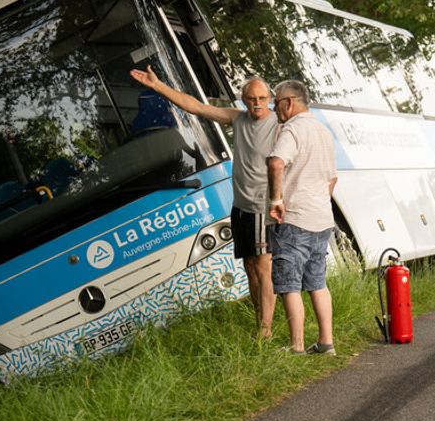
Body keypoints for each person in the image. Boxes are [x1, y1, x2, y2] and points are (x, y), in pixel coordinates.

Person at [130, 65, 279, 338]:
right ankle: (261, 321)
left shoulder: (278, 124)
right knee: (248, 266)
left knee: (263, 265)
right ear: (243, 100)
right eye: (251, 99)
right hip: (241, 205)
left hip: (262, 205)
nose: (256, 104)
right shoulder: (238, 119)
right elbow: (196, 107)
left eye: (261, 99)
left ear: (268, 98)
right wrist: (158, 86)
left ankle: (265, 330)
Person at [266, 80, 339, 355]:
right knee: (317, 283)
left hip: (295, 219)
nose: (274, 108)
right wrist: (319, 201)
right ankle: (326, 343)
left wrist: (277, 200)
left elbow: (275, 162)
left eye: (276, 102)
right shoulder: (323, 131)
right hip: (321, 219)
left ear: (288, 103)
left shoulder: (292, 129)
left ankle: (296, 347)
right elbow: (332, 178)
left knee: (289, 285)